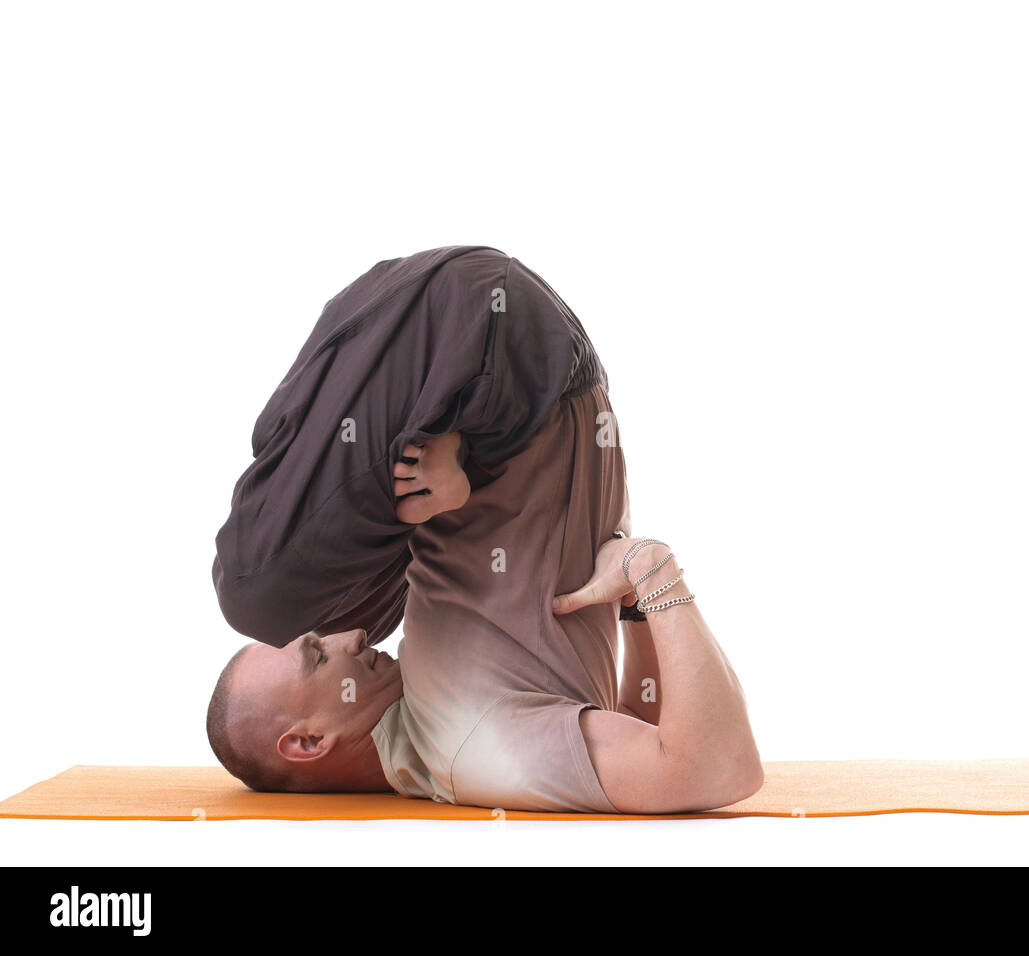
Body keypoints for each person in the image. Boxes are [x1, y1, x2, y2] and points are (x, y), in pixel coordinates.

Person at [207, 247, 762, 812]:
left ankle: (445, 441)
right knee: (254, 593)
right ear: (307, 741)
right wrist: (647, 570)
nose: (351, 639)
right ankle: (448, 430)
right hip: (490, 349)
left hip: (516, 366)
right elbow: (707, 770)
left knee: (330, 606)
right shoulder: (474, 752)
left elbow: (642, 733)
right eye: (318, 658)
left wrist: (638, 601)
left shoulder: (438, 736)